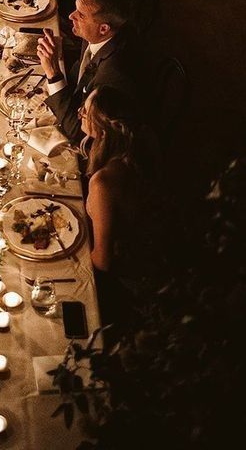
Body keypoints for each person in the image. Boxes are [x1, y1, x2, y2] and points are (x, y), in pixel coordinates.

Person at [80, 86, 155, 328]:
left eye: (86, 112)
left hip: (124, 285)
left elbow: (102, 261)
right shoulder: (128, 154)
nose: (79, 112)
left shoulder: (103, 182)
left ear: (102, 128)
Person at [37, 0, 140, 144]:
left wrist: (53, 74)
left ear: (104, 28)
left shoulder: (113, 76)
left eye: (81, 15)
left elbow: (79, 133)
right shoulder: (95, 36)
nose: (71, 16)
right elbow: (79, 81)